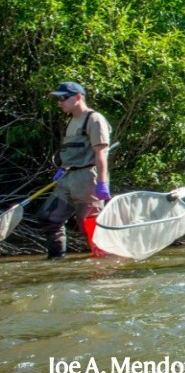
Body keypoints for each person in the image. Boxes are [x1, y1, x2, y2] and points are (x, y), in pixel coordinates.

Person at [38, 82, 113, 259]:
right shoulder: (71, 120)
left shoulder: (94, 119)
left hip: (88, 179)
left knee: (91, 225)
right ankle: (56, 261)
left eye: (63, 98)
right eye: (58, 98)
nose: (60, 102)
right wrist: (63, 169)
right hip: (67, 178)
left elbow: (101, 153)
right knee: (49, 218)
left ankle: (105, 266)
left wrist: (101, 183)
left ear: (78, 97)